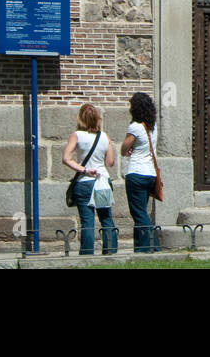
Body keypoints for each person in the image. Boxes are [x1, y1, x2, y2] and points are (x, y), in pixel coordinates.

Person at [61, 103, 116, 255]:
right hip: (103, 181)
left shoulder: (77, 135)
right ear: (97, 119)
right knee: (106, 219)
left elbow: (66, 158)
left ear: (80, 119)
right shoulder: (105, 137)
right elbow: (110, 163)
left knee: (87, 222)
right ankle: (111, 252)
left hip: (85, 182)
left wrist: (84, 169)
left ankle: (87, 255)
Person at [121, 91, 159, 253]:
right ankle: (141, 247)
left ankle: (148, 247)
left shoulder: (135, 127)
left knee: (138, 213)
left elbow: (124, 148)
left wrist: (128, 149)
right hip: (150, 173)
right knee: (142, 211)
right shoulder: (153, 127)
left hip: (136, 173)